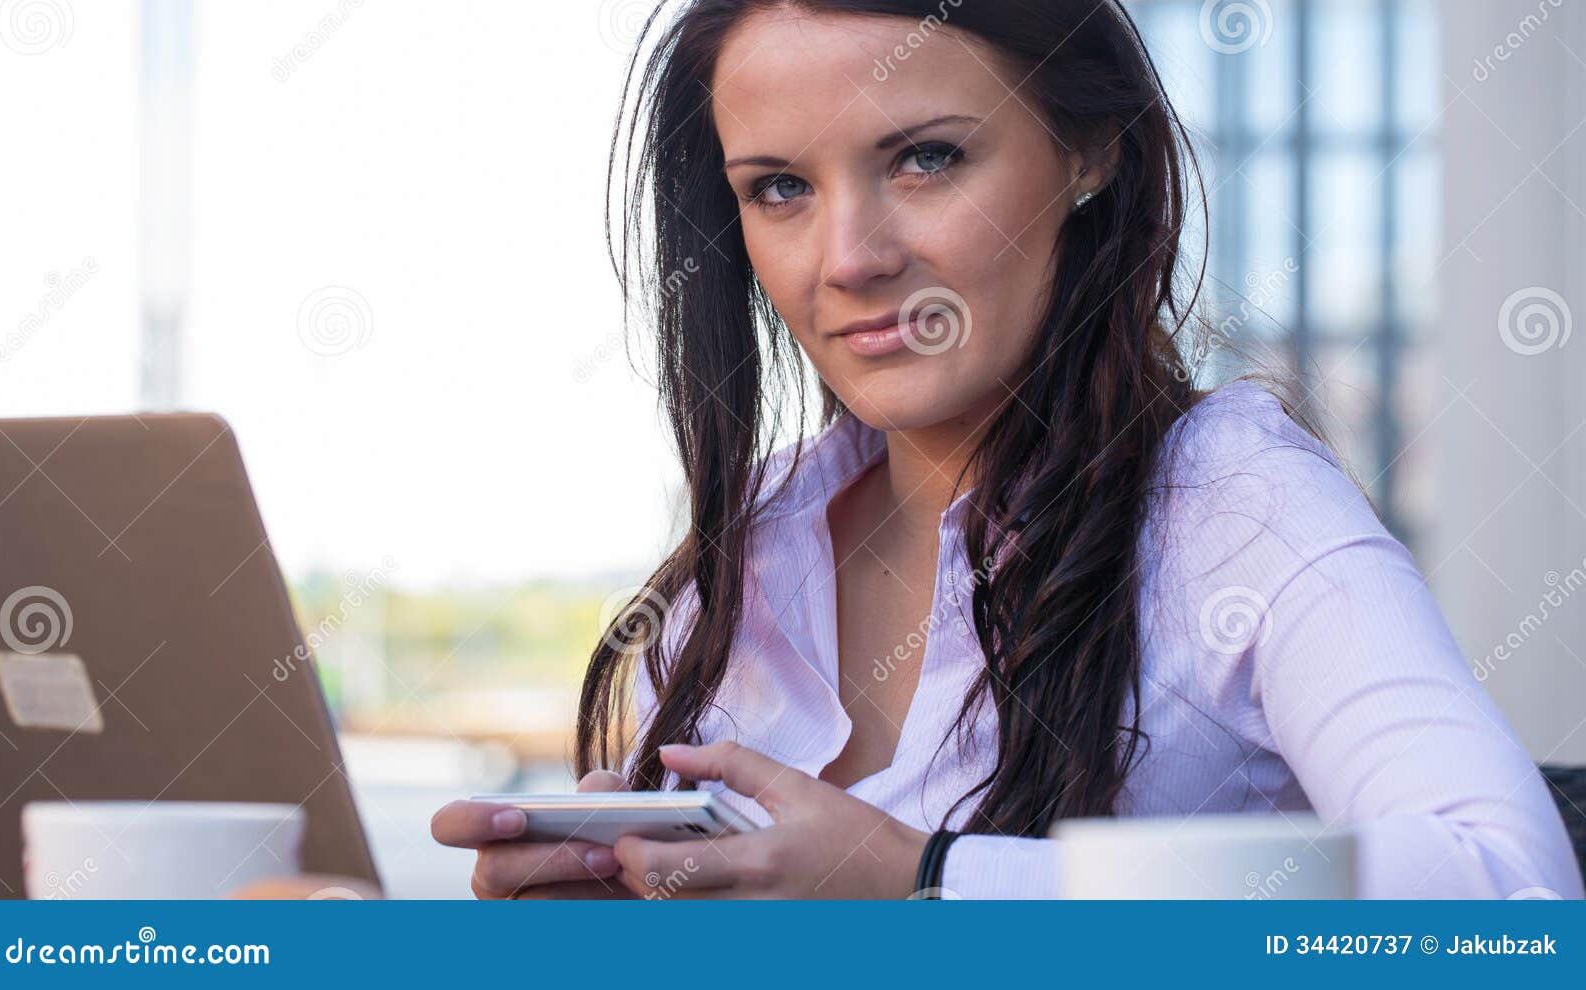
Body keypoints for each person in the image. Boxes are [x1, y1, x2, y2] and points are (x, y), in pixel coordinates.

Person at [431, 0, 1583, 900]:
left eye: (925, 159)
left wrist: (924, 883)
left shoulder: (1233, 501)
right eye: (779, 188)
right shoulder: (736, 568)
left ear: (1090, 154)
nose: (848, 259)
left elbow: (1512, 896)